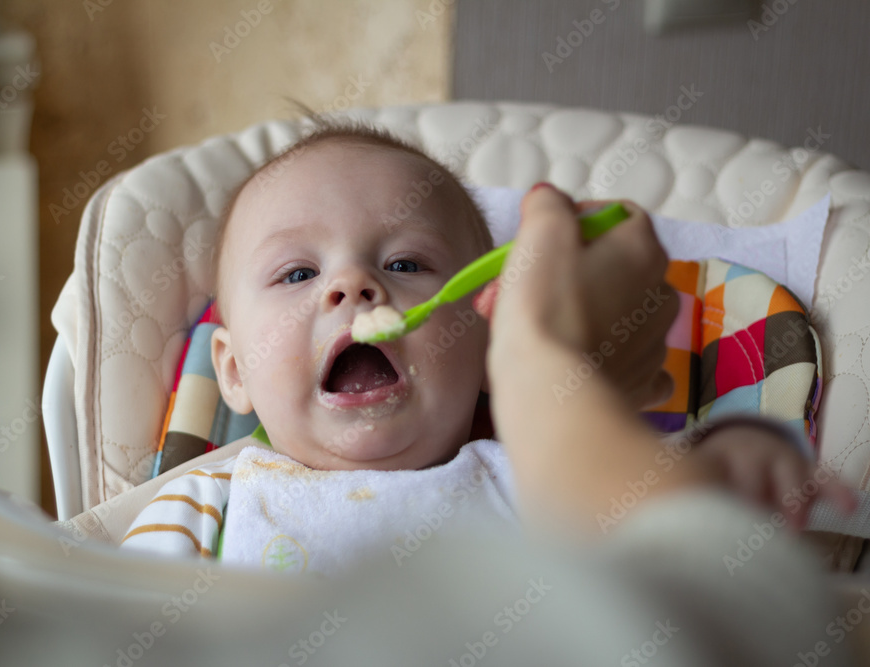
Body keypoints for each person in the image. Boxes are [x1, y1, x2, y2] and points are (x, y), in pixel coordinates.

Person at [121, 118, 852, 573]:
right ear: (234, 370)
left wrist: (734, 474)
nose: (352, 284)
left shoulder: (543, 474)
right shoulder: (207, 502)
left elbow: (678, 566)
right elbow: (106, 624)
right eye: (297, 272)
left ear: (488, 342)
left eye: (406, 264)